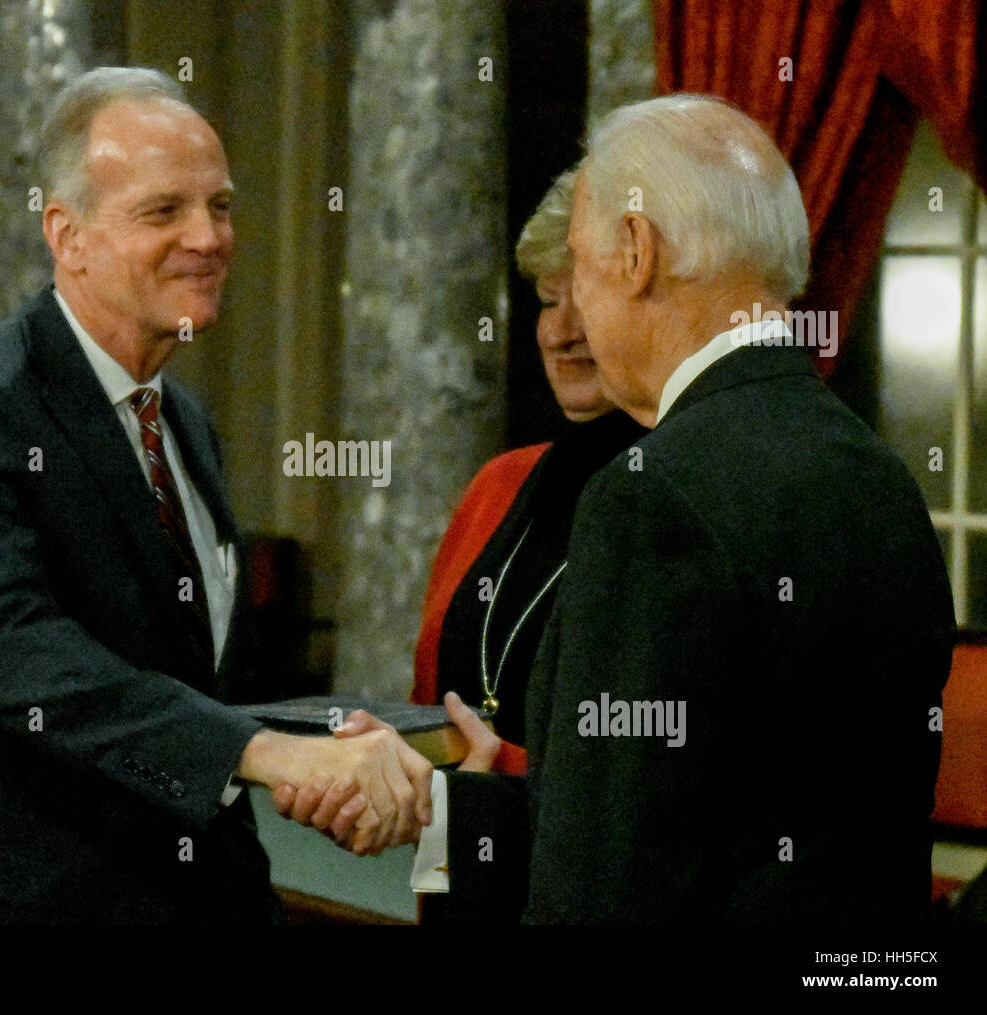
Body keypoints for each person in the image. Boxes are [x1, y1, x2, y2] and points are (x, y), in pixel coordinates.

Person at [283, 93, 956, 924]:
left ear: (635, 253)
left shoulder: (652, 495)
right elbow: (730, 816)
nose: (575, 316)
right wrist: (442, 808)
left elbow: (607, 885)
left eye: (580, 262)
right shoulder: (880, 477)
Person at [0, 66, 431, 925]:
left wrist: (318, 749)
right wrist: (264, 755)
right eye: (164, 211)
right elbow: (9, 649)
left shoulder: (182, 419)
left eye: (220, 206)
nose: (209, 237)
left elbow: (178, 678)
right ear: (67, 235)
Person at [412, 169, 645, 766]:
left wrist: (500, 770)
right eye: (547, 302)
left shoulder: (688, 488)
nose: (563, 332)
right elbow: (423, 704)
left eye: (586, 302)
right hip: (459, 850)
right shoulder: (499, 483)